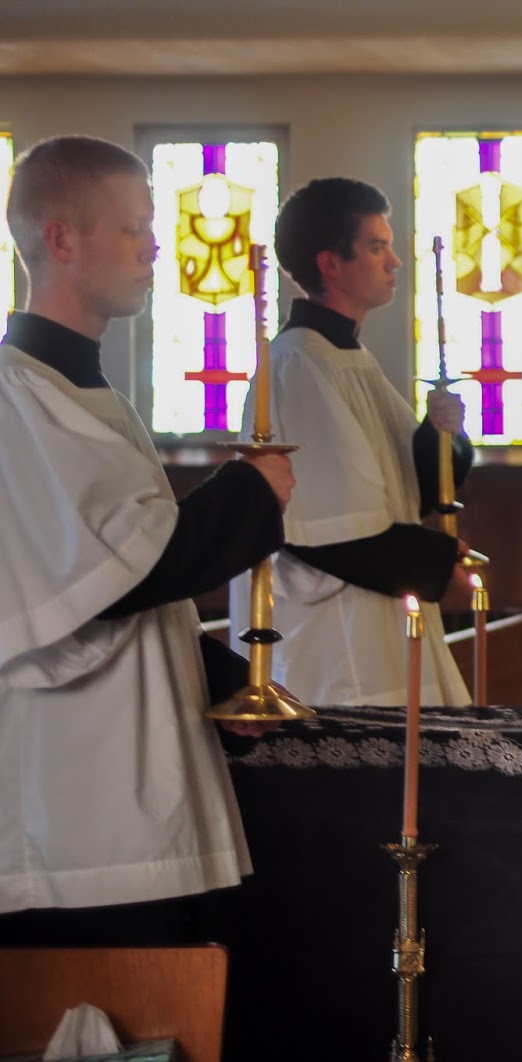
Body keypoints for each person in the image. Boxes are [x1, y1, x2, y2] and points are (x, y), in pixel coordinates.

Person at [0, 135, 293, 942]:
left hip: (139, 772)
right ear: (61, 240)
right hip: (74, 810)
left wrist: (218, 677)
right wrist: (249, 494)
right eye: (134, 228)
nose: (155, 247)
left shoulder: (88, 392)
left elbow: (116, 572)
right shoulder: (16, 398)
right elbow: (114, 575)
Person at [233, 177, 473, 706]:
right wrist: (438, 563)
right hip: (335, 634)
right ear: (330, 264)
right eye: (376, 247)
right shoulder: (298, 365)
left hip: (378, 614)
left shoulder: (348, 359)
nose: (395, 262)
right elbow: (323, 529)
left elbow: (419, 484)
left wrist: (444, 437)